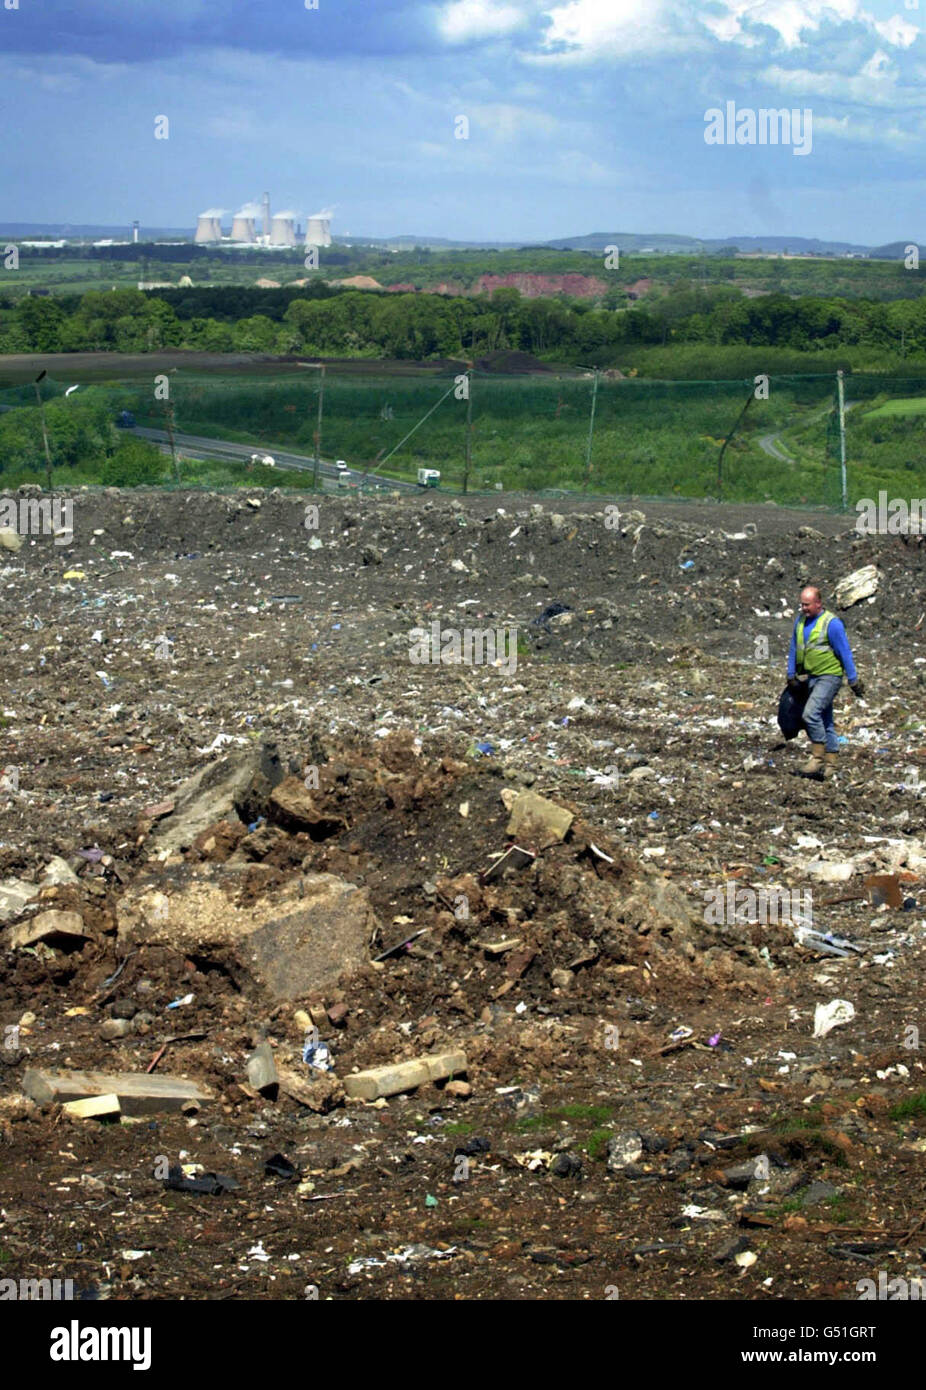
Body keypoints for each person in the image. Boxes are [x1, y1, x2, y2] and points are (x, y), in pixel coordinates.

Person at [786, 585, 864, 779]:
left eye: (807, 604)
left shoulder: (832, 623)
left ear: (818, 603)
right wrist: (791, 674)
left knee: (811, 714)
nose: (803, 608)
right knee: (825, 720)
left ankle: (817, 757)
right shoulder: (801, 622)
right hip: (812, 677)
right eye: (802, 604)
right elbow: (794, 647)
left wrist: (853, 679)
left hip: (830, 676)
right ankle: (831, 765)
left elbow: (844, 652)